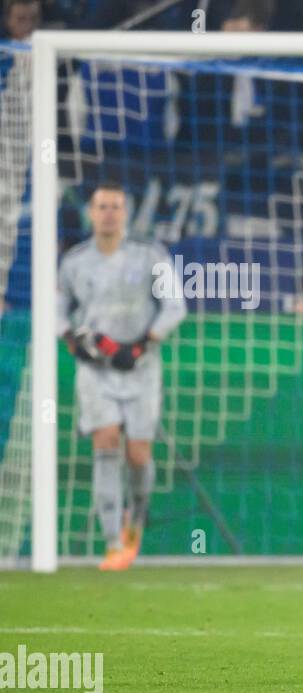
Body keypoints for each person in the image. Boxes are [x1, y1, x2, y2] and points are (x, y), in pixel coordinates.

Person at [56, 181, 185, 571]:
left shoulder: (150, 256)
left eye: (115, 206)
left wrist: (145, 343)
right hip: (96, 368)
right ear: (91, 213)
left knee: (138, 453)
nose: (109, 213)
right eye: (101, 206)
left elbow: (175, 305)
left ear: (125, 212)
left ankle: (137, 518)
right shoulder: (74, 262)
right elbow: (57, 308)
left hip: (141, 365)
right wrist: (70, 338)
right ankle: (112, 542)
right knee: (106, 441)